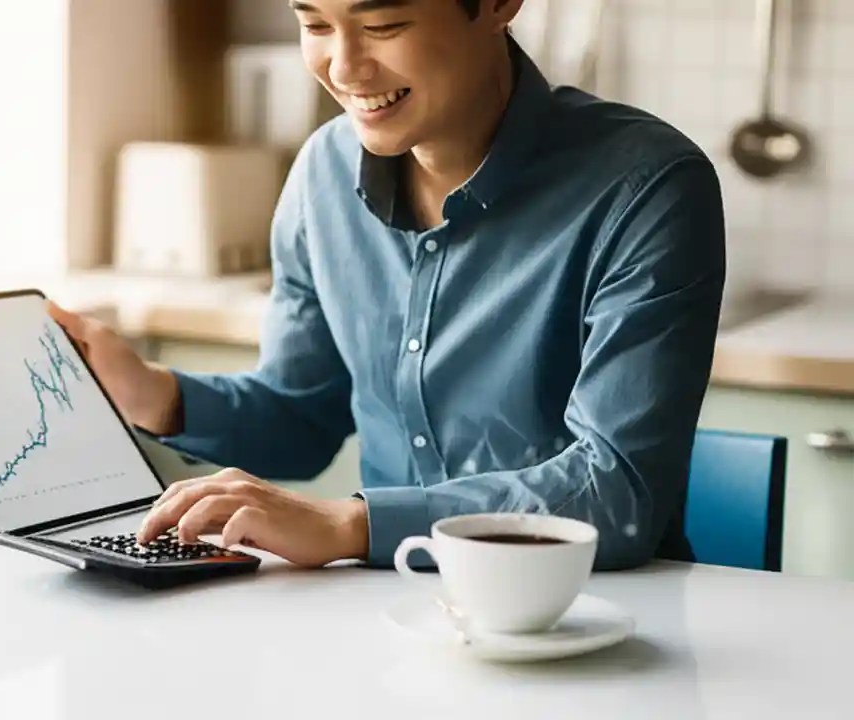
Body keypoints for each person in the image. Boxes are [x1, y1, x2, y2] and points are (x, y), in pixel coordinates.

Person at [48, 0, 725, 571]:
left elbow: (619, 489)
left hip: (592, 617)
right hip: (393, 614)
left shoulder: (647, 187)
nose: (343, 69)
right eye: (316, 25)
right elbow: (301, 419)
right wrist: (152, 394)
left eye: (382, 27)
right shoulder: (323, 172)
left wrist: (354, 525)